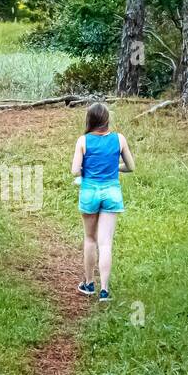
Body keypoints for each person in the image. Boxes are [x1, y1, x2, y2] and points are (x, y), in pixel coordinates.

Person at [70, 101, 134, 302]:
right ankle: (104, 290)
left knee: (90, 239)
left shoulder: (83, 141)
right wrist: (115, 168)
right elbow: (130, 167)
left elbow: (74, 170)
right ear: (107, 119)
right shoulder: (119, 139)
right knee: (105, 243)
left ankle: (89, 284)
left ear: (90, 119)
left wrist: (85, 172)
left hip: (89, 192)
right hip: (112, 193)